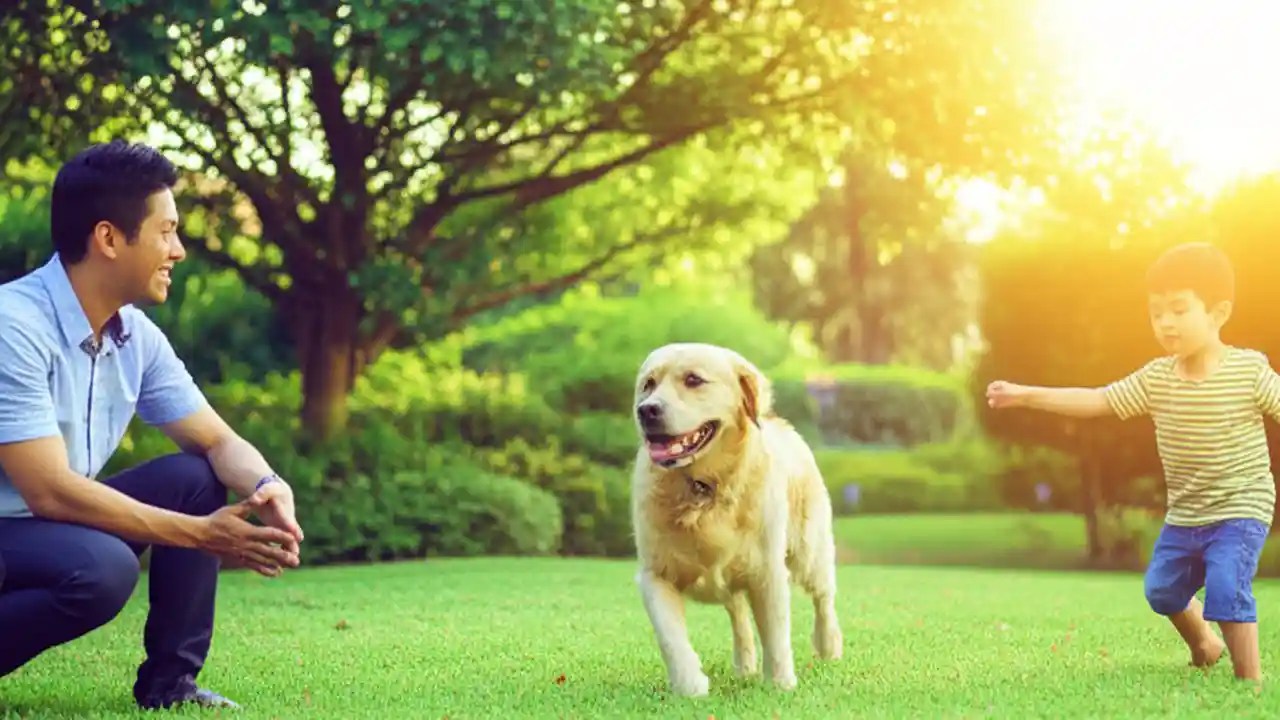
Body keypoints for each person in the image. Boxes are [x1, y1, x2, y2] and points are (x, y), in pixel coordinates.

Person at [0, 140, 306, 709]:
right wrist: (202, 534)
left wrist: (267, 485)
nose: (179, 250)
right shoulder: (12, 325)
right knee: (101, 570)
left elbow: (216, 440)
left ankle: (171, 686)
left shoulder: (133, 335)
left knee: (194, 477)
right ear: (109, 238)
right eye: (166, 231)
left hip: (45, 526)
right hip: (13, 524)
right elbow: (47, 491)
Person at [987, 241, 1275, 682]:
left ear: (1218, 313)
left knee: (1225, 586)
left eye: (1179, 310)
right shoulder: (1156, 378)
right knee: (1162, 589)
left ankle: (1249, 681)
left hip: (1242, 507)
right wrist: (1027, 395)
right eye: (1157, 312)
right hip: (1187, 513)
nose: (1165, 322)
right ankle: (1204, 642)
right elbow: (1097, 400)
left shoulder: (1248, 371)